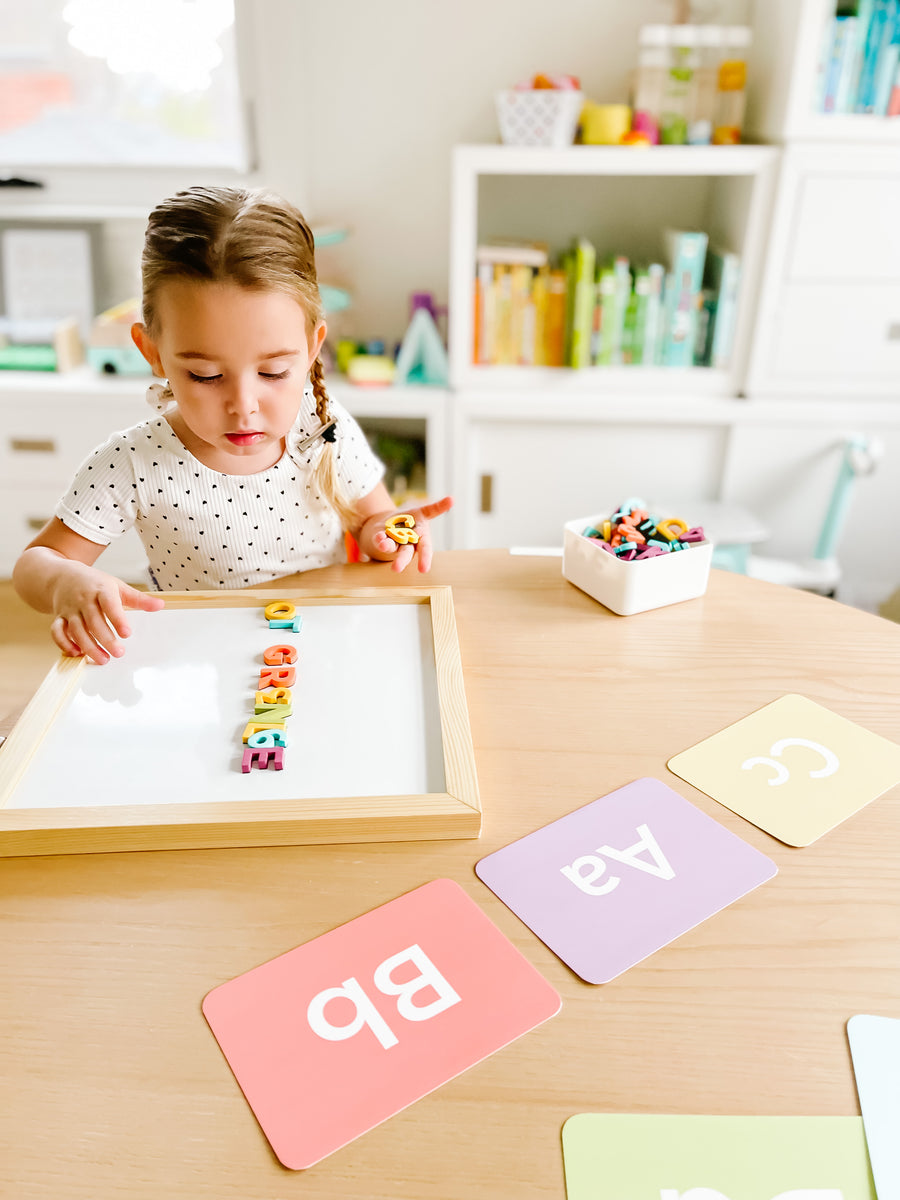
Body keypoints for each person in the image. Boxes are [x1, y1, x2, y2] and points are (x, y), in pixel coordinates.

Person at [13, 185, 452, 666]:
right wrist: (64, 581)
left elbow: (374, 522)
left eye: (273, 373)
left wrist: (393, 531)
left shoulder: (321, 426)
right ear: (153, 352)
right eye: (205, 376)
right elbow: (34, 566)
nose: (243, 406)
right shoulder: (132, 462)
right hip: (195, 667)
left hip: (317, 653)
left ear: (312, 347)